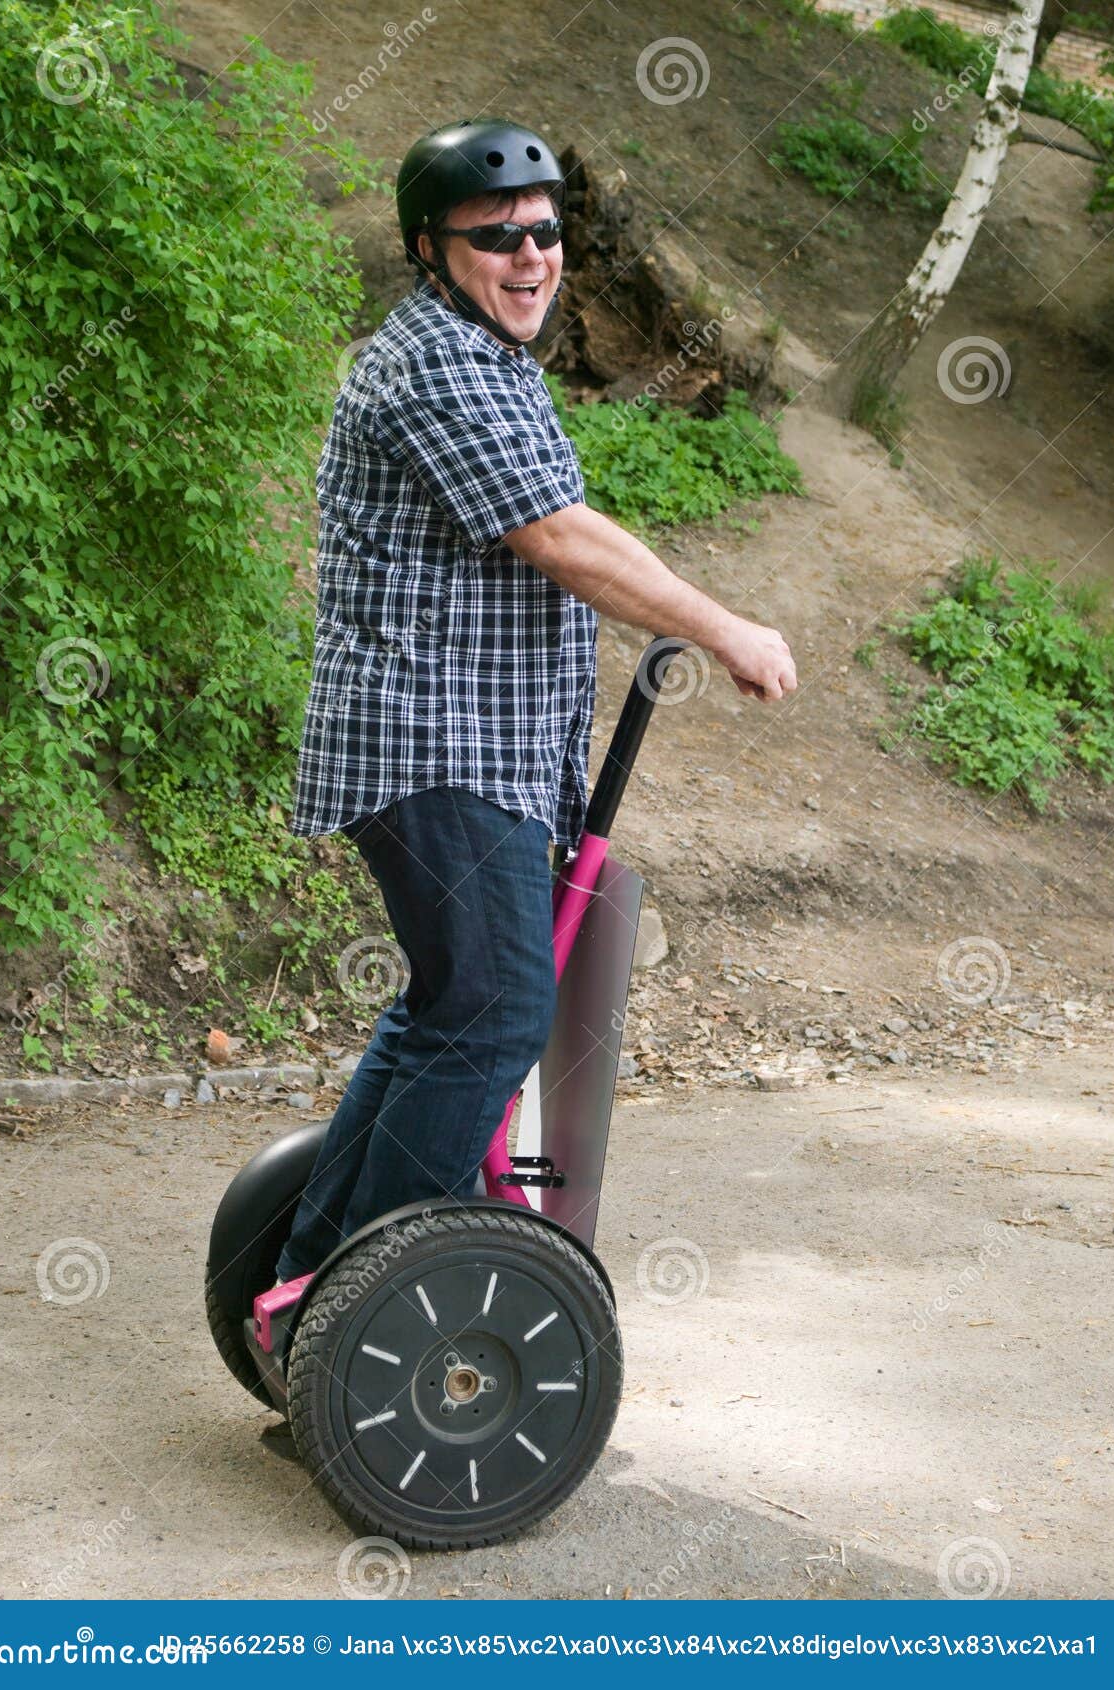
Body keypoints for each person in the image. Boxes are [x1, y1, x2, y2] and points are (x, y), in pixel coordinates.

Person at [274, 118, 796, 1284]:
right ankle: (366, 1303)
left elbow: (565, 525)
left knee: (449, 1010)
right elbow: (559, 536)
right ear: (430, 248)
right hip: (434, 749)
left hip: (470, 749)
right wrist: (717, 626)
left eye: (546, 231)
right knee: (499, 1014)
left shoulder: (487, 362)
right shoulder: (435, 367)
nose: (531, 256)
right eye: (497, 235)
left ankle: (311, 1286)